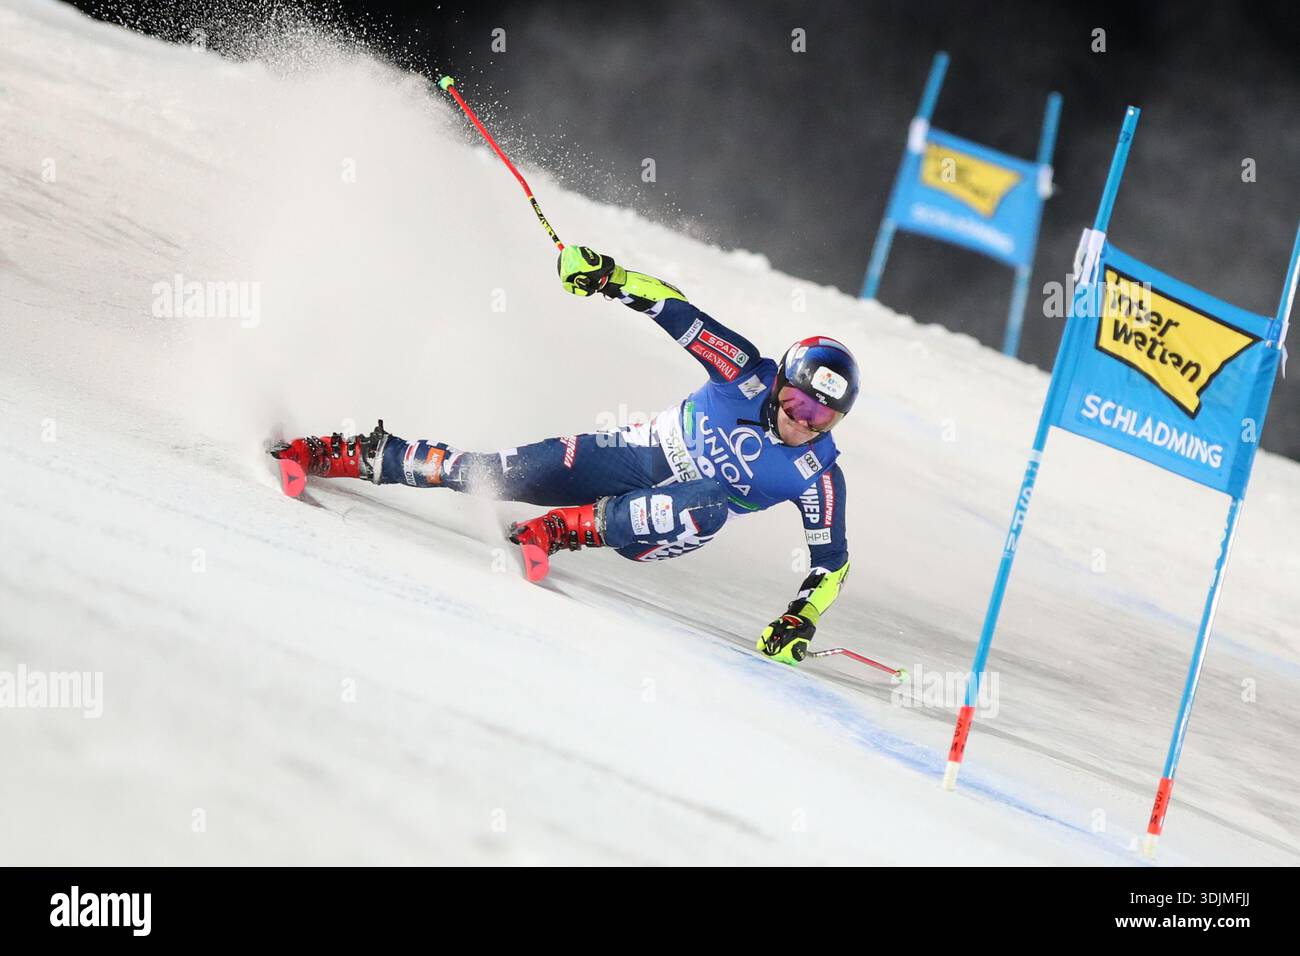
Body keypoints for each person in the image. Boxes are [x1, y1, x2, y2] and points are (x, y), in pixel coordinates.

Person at [272, 246, 859, 665]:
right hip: (639, 450)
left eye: (820, 417)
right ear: (779, 381)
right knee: (491, 475)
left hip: (665, 526)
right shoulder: (743, 371)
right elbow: (675, 311)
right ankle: (350, 454)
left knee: (710, 502)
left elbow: (831, 563)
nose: (802, 423)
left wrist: (797, 620)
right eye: (797, 404)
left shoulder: (818, 474)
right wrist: (607, 276)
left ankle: (560, 531)